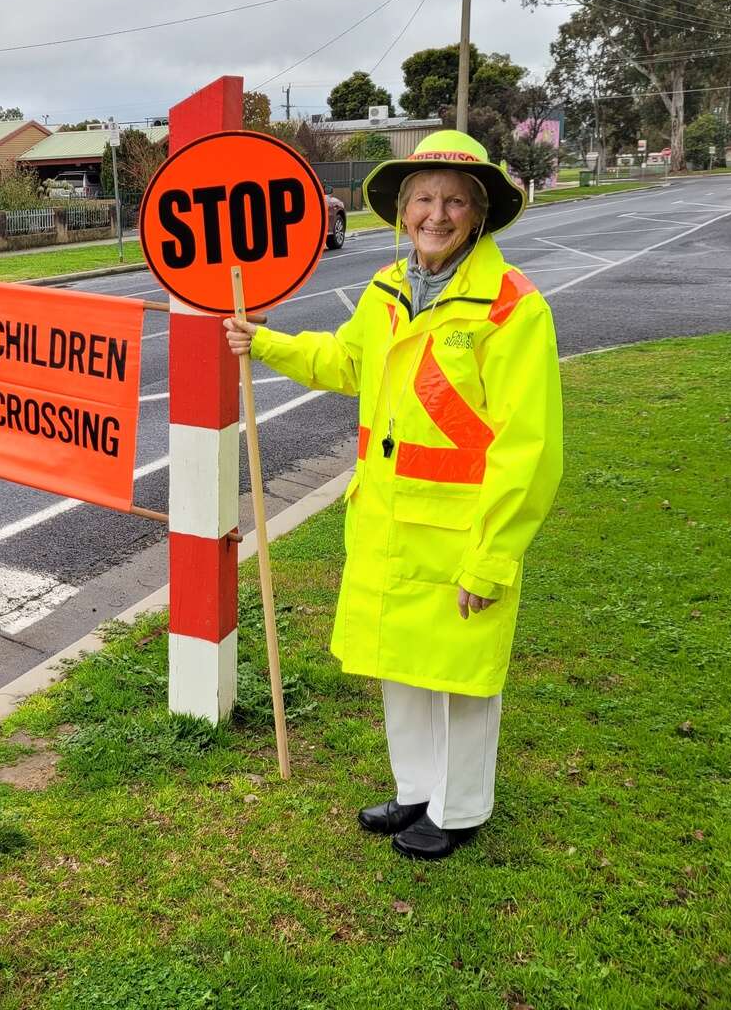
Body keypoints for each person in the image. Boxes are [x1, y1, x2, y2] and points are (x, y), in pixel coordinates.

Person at [224, 130, 563, 861]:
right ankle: (417, 790)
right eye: (423, 199)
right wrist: (267, 342)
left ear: (477, 214)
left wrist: (492, 558)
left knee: (464, 680)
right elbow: (350, 361)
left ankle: (462, 806)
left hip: (463, 530)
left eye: (453, 201)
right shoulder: (385, 290)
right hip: (389, 519)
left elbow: (529, 449)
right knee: (402, 668)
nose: (435, 215)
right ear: (403, 209)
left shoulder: (511, 309)